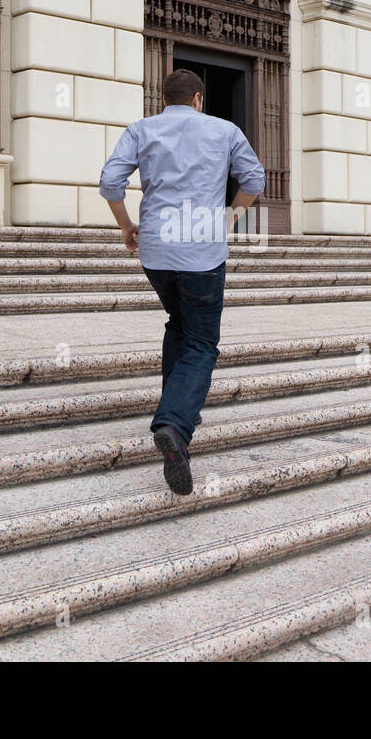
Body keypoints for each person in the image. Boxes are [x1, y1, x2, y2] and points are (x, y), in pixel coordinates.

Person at [99, 69, 266, 495]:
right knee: (202, 341)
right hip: (202, 251)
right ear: (197, 98)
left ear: (164, 99)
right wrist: (231, 215)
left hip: (156, 250)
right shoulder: (224, 129)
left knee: (179, 321)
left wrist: (126, 227)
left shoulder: (141, 129)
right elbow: (254, 180)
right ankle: (174, 424)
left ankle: (182, 410)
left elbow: (110, 183)